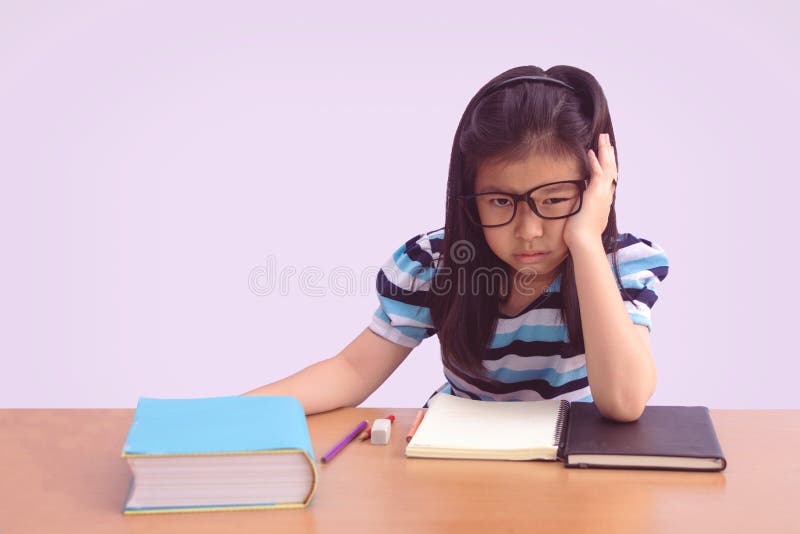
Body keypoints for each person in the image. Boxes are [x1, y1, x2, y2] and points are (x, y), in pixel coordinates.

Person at [244, 65, 669, 423]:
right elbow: (352, 370)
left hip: (575, 465)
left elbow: (624, 401)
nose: (528, 230)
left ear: (596, 190)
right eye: (501, 201)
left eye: (554, 200)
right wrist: (232, 412)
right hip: (459, 463)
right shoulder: (435, 264)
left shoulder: (621, 265)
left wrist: (586, 242)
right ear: (468, 198)